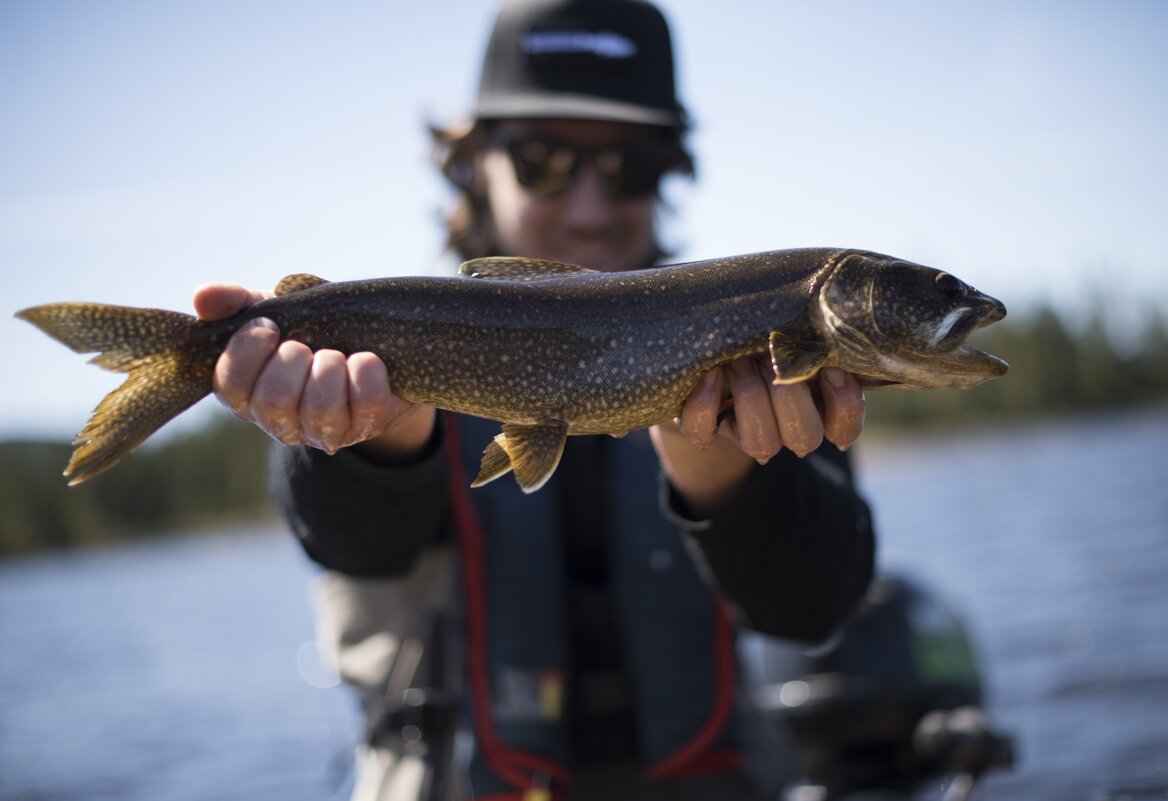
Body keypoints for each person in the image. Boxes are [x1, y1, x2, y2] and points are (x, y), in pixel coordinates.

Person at [193, 1, 876, 798]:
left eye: (631, 166)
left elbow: (815, 605)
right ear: (474, 164)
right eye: (543, 162)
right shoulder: (376, 346)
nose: (588, 208)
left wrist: (726, 475)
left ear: (671, 173)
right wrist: (374, 434)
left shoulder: (765, 347)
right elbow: (351, 543)